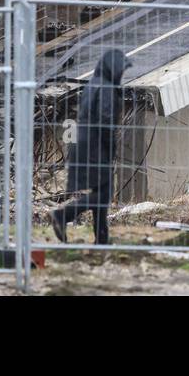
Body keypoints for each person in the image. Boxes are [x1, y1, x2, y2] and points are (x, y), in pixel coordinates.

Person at [51, 48, 130, 245]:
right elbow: (105, 121)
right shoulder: (105, 88)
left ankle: (101, 239)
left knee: (102, 193)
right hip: (96, 146)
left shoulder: (94, 84)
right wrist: (110, 148)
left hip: (85, 143)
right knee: (103, 194)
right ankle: (63, 215)